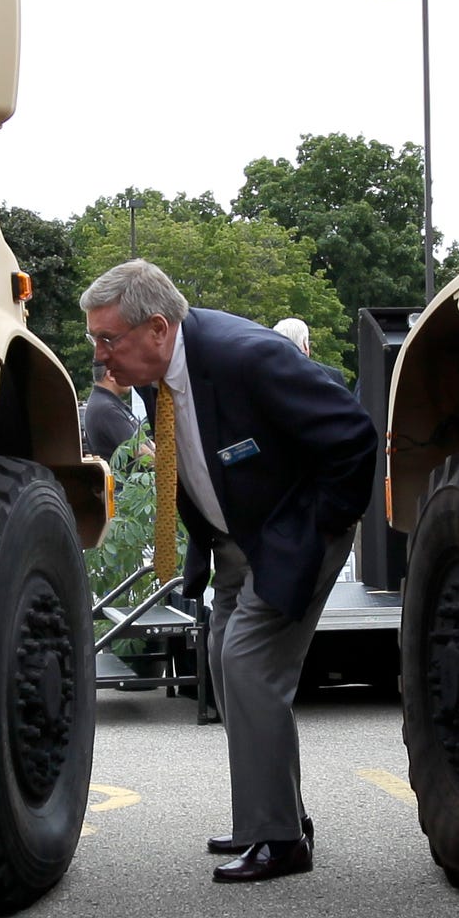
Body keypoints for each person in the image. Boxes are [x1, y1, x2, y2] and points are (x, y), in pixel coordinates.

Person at [81, 259, 378, 883]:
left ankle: (281, 840)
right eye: (95, 340)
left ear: (158, 328)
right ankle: (270, 818)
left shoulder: (245, 357)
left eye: (109, 339)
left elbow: (353, 435)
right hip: (236, 542)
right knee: (221, 659)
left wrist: (317, 527)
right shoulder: (160, 374)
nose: (101, 356)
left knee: (247, 662)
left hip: (290, 537)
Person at [78, 362, 140, 460]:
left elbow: (143, 442)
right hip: (124, 475)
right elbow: (138, 451)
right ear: (110, 375)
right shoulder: (106, 409)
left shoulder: (107, 403)